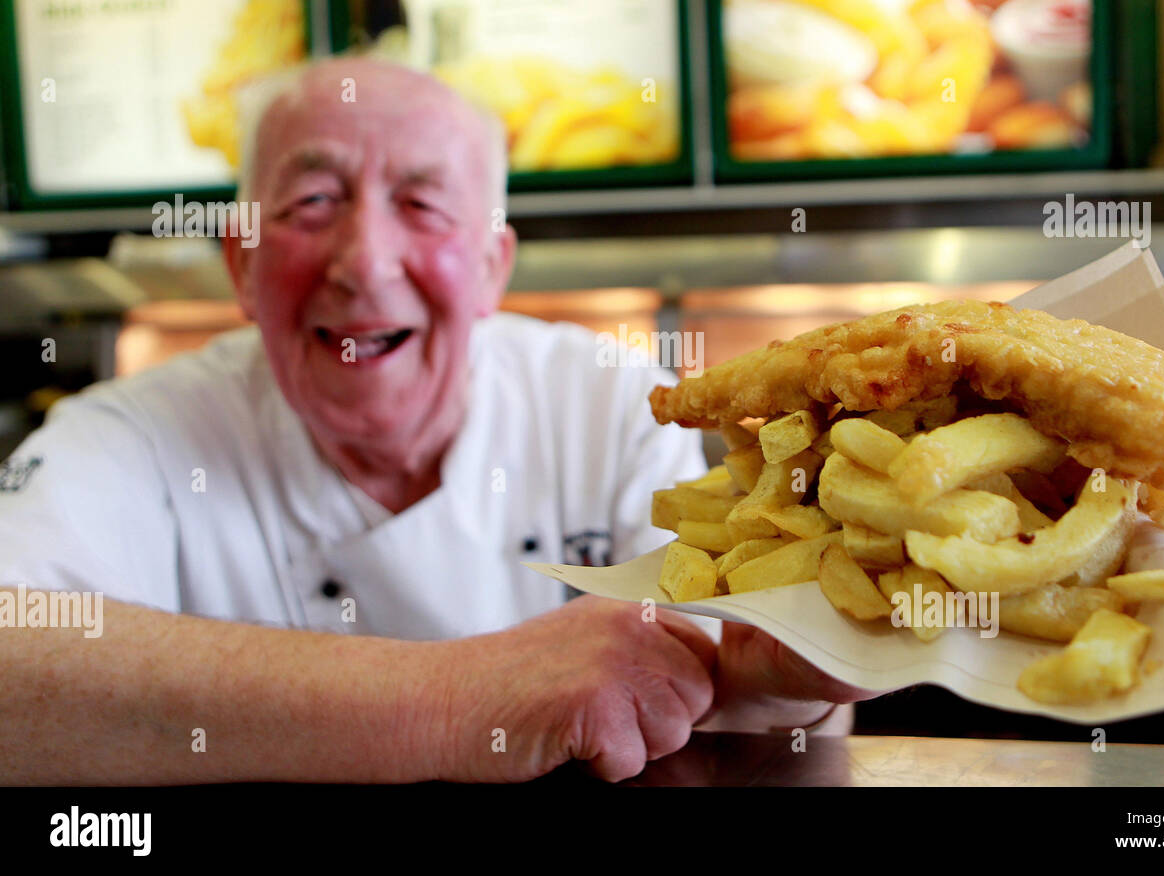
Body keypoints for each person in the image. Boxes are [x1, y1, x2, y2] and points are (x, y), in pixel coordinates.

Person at [0, 57, 872, 785]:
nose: (366, 263)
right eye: (310, 203)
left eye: (421, 205)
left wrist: (786, 688)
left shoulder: (603, 404)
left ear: (492, 264)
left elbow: (734, 711)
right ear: (243, 261)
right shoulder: (139, 435)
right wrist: (458, 695)